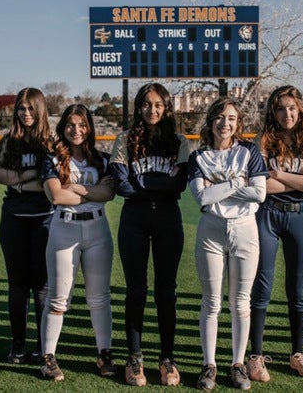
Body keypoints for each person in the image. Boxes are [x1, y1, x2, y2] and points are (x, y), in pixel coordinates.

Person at [110, 83, 190, 387]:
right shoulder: (124, 140)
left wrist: (142, 181)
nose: (152, 110)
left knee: (166, 290)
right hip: (134, 219)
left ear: (166, 107)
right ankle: (135, 357)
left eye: (158, 104)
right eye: (146, 104)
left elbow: (179, 184)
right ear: (138, 107)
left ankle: (167, 357)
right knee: (136, 290)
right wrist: (157, 184)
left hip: (168, 218)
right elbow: (122, 185)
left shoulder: (179, 141)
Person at [188, 97, 268, 391]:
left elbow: (259, 194)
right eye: (220, 117)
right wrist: (237, 183)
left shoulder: (249, 151)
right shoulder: (198, 156)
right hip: (211, 228)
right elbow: (202, 198)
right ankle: (209, 364)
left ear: (238, 123)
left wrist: (220, 187)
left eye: (232, 118)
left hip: (245, 228)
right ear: (211, 121)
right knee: (211, 301)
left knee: (240, 302)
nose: (226, 123)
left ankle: (237, 363)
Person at [246, 85, 303, 382]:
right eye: (280, 108)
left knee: (298, 288)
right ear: (272, 112)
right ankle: (255, 355)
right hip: (268, 214)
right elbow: (261, 188)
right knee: (262, 286)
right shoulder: (263, 140)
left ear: (300, 109)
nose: (287, 114)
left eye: (292, 108)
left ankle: (297, 353)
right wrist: (299, 181)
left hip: (299, 216)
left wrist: (279, 175)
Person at [38, 104, 116, 382]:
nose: (76, 130)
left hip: (97, 229)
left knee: (99, 297)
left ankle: (104, 352)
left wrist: (77, 189)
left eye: (82, 125)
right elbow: (56, 197)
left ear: (90, 127)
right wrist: (92, 193)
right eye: (71, 125)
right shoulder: (51, 158)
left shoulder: (102, 159)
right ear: (63, 128)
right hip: (65, 228)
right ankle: (48, 357)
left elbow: (109, 193)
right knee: (58, 298)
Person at [0, 88, 54, 363]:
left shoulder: (52, 142)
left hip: (45, 219)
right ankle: (17, 345)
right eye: (21, 109)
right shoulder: (9, 141)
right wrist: (32, 177)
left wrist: (18, 180)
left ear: (40, 110)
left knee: (42, 285)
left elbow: (53, 182)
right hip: (14, 219)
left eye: (30, 109)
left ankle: (43, 347)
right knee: (17, 284)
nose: (25, 114)